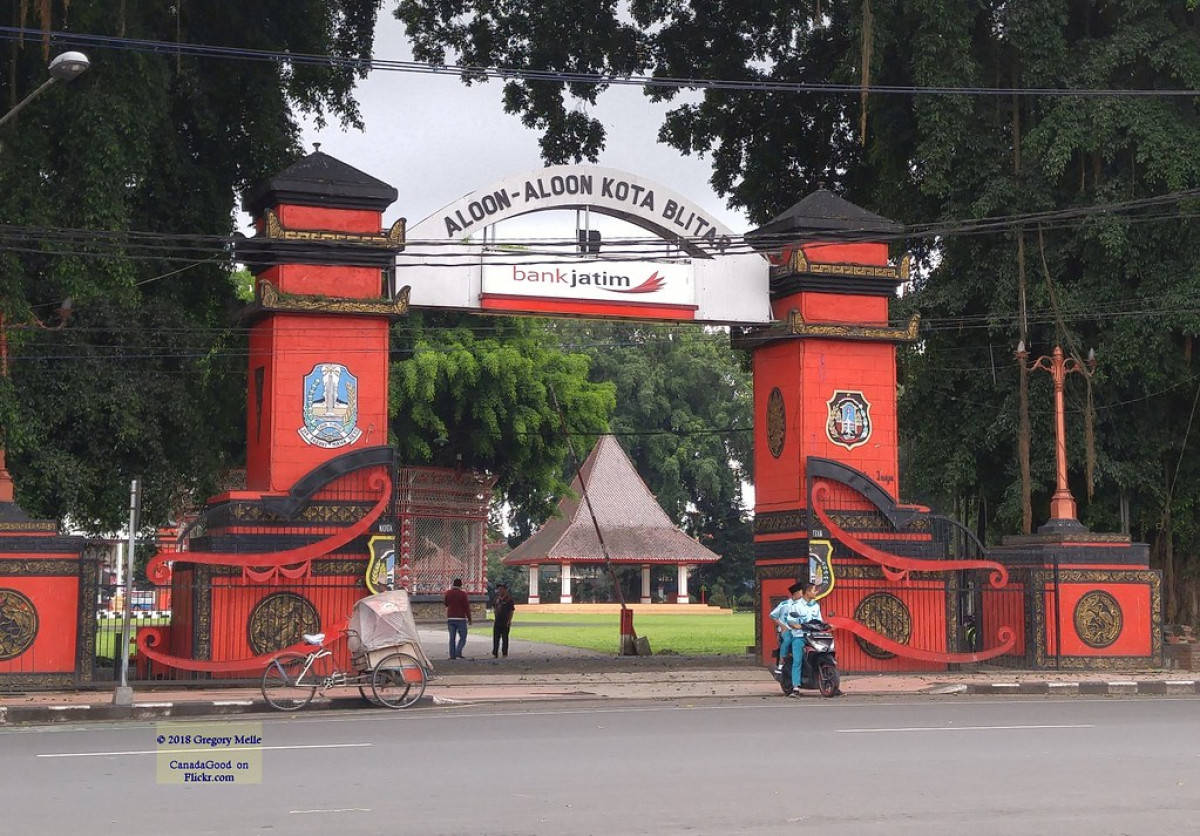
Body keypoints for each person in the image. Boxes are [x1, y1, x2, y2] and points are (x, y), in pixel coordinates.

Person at [784, 582, 824, 697]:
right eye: (814, 590)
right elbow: (791, 621)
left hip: (813, 636)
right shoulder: (796, 606)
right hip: (800, 636)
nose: (816, 592)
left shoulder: (816, 606)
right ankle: (795, 687)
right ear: (807, 592)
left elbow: (819, 621)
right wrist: (798, 626)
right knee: (798, 660)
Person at [769, 582, 807, 674]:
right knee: (787, 641)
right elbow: (772, 615)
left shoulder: (803, 605)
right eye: (801, 592)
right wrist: (782, 626)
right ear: (796, 593)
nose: (802, 594)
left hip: (799, 629)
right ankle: (781, 665)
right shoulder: (784, 604)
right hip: (787, 630)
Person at [443, 578, 471, 659]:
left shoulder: (448, 593)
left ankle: (452, 655)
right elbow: (466, 607)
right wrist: (469, 618)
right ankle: (458, 651)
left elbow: (446, 603)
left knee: (452, 638)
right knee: (463, 636)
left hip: (451, 617)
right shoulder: (463, 594)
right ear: (461, 585)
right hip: (461, 618)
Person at [491, 582, 516, 658]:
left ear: (505, 590)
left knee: (505, 638)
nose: (500, 591)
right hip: (497, 621)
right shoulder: (496, 599)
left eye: (501, 589)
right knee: (496, 638)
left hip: (505, 621)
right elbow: (494, 607)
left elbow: (512, 611)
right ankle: (495, 652)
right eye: (499, 589)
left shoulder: (509, 600)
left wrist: (509, 620)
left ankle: (504, 653)